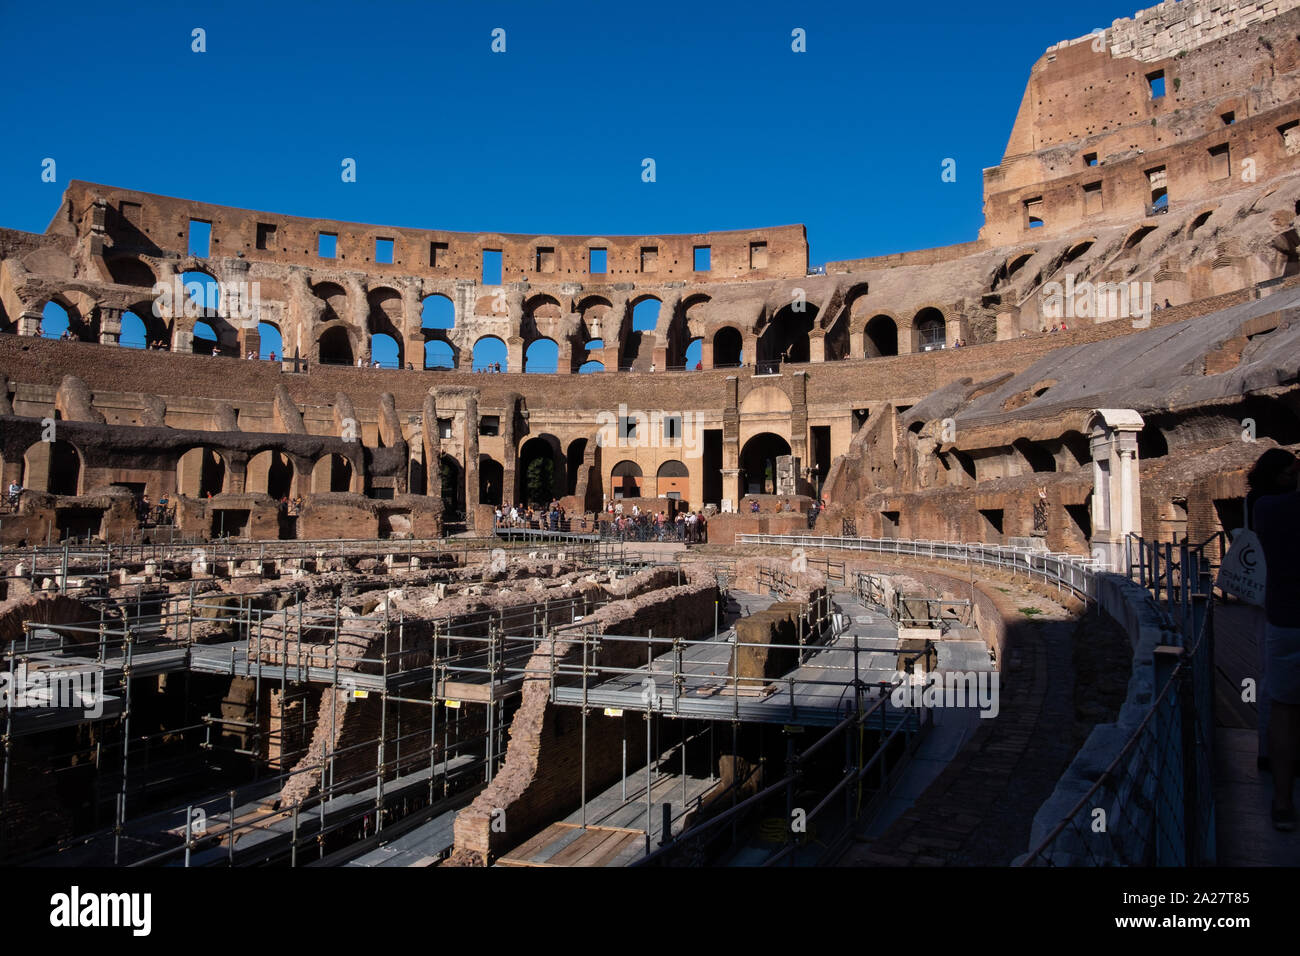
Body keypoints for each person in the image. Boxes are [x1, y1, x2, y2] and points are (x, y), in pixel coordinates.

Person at [1254, 454, 1300, 831]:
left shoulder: (1264, 509)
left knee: (1283, 709)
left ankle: (1282, 802)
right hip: (1286, 619)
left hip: (1283, 620)